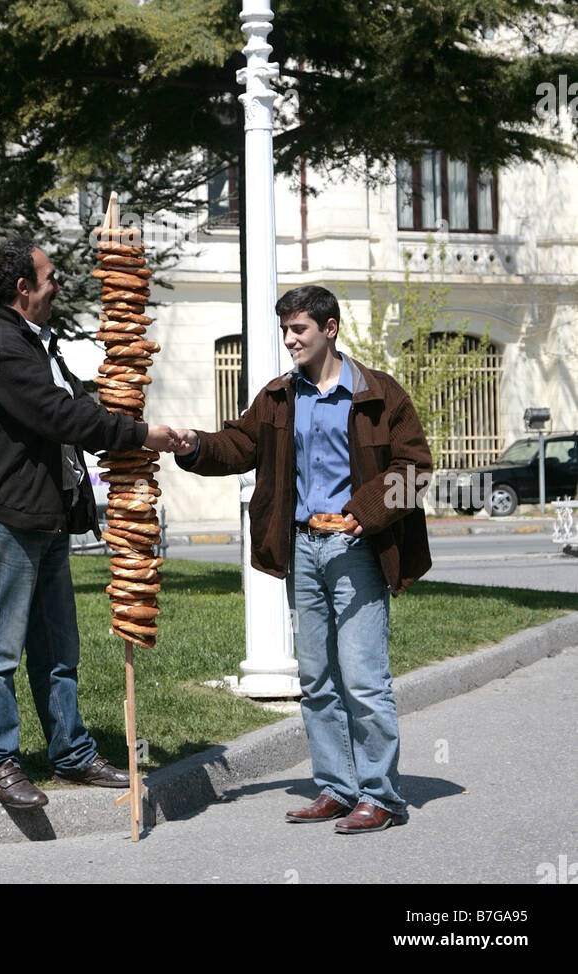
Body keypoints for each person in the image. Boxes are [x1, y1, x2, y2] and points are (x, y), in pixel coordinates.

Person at [172, 285, 432, 833]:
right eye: (286, 329)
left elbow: (415, 468)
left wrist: (368, 510)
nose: (289, 339)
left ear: (329, 329)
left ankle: (381, 796)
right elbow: (237, 446)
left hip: (356, 549)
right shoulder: (279, 397)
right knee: (315, 678)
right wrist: (190, 443)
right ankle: (337, 788)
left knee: (363, 678)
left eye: (300, 330)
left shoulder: (379, 394)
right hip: (304, 548)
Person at [0, 235, 179, 811]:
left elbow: (74, 398)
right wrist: (136, 435)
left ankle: (71, 751)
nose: (59, 284)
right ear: (23, 288)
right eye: (50, 276)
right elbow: (56, 414)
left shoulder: (35, 343)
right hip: (6, 520)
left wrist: (122, 405)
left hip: (45, 517)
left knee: (58, 645)